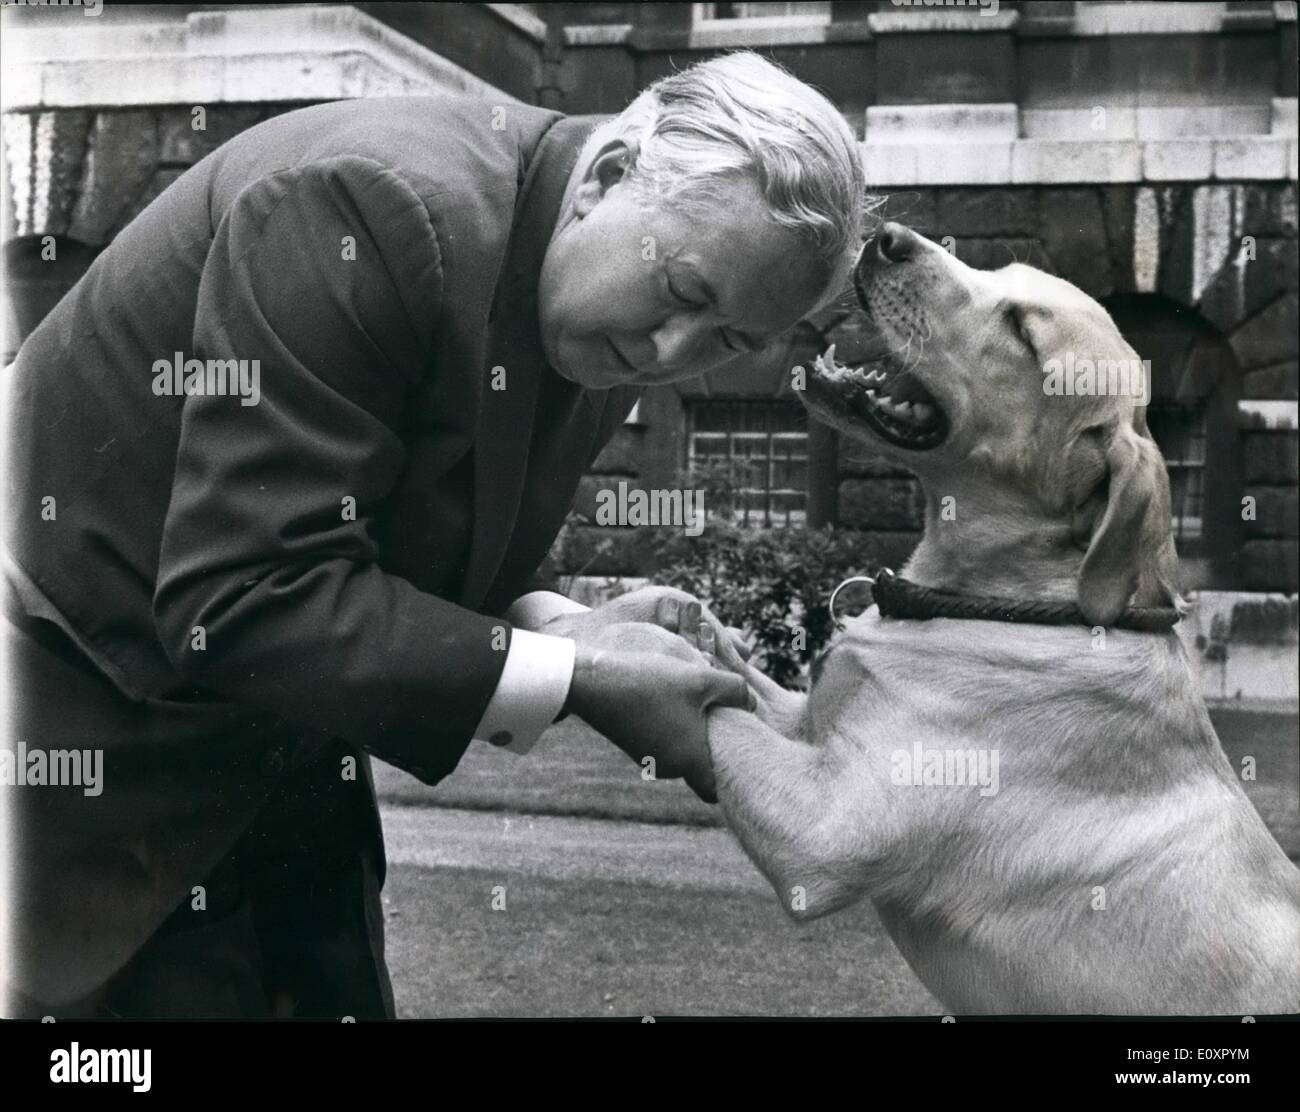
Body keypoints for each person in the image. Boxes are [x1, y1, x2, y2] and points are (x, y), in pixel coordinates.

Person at [1, 51, 865, 1018]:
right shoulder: (366, 208)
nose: (673, 353)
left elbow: (389, 553)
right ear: (614, 175)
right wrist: (579, 681)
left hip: (282, 776)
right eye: (689, 292)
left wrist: (575, 624)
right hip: (79, 760)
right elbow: (238, 600)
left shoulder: (586, 308)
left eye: (730, 343)